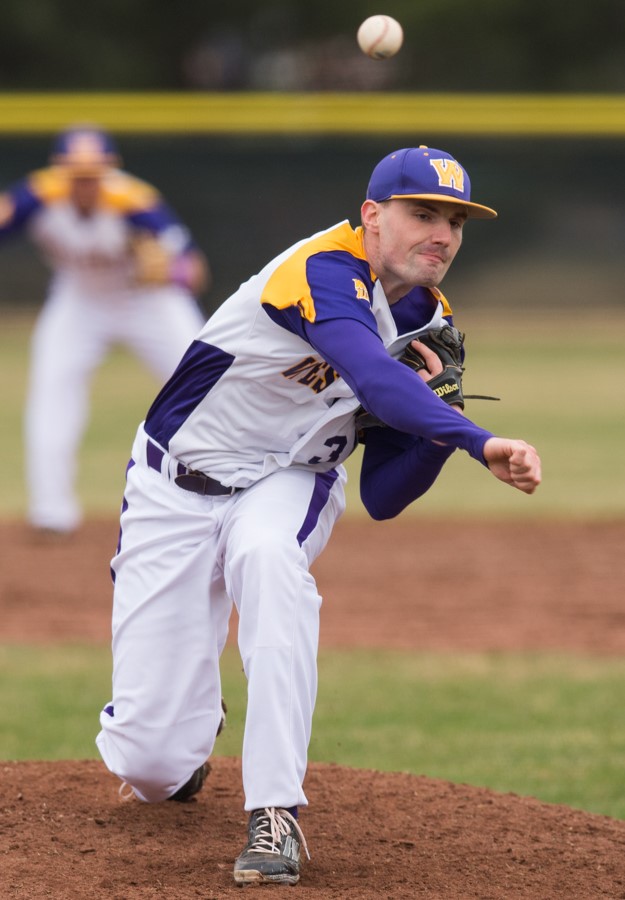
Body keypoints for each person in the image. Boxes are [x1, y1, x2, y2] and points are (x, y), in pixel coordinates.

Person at [95, 145, 541, 886]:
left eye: (455, 221)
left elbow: (381, 497)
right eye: (422, 213)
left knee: (269, 564)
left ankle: (275, 814)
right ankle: (182, 745)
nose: (442, 234)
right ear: (371, 215)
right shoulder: (322, 271)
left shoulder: (427, 321)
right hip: (173, 485)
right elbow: (366, 371)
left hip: (289, 478)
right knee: (148, 762)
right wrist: (472, 438)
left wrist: (442, 415)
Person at [0, 124, 210, 536]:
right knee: (52, 390)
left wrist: (170, 270)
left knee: (207, 382)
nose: (85, 182)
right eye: (77, 174)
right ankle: (52, 513)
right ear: (60, 170)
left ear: (108, 170)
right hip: (79, 300)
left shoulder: (134, 201)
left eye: (93, 173)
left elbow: (195, 270)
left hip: (149, 303)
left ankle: (229, 488)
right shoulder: (37, 195)